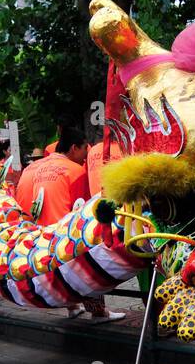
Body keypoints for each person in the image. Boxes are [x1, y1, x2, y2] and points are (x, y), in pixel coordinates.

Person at [16, 127, 124, 321]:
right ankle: (98, 312)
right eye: (84, 149)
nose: (86, 156)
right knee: (89, 269)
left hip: (44, 235)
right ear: (74, 148)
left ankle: (72, 307)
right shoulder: (75, 170)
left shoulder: (40, 167)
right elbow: (84, 209)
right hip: (67, 236)